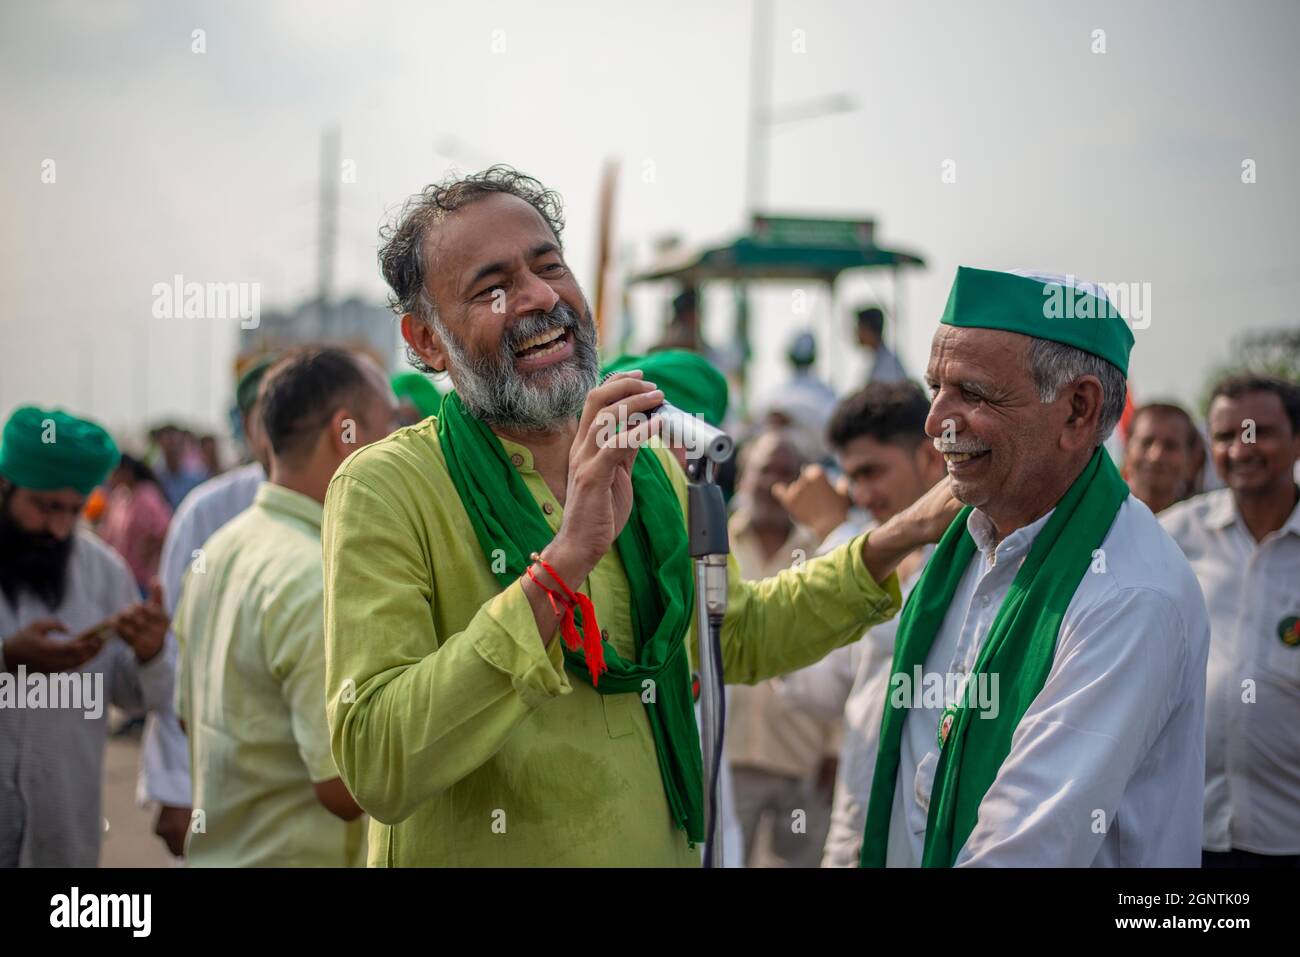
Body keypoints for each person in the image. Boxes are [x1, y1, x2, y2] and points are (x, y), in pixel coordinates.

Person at [322, 166, 956, 867]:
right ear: (426, 341)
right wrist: (565, 562)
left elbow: (732, 633)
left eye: (549, 266)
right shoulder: (386, 487)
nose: (540, 298)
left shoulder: (647, 466)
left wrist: (900, 535)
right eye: (492, 287)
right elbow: (378, 760)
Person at [860, 266, 1210, 868]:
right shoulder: (967, 540)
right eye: (935, 388)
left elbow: (1024, 848)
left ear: (1077, 411)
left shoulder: (1127, 593)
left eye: (972, 393)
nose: (935, 421)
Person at [174, 348, 397, 866]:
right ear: (345, 432)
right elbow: (344, 789)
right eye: (389, 428)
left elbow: (188, 718)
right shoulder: (318, 577)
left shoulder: (222, 547)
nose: (398, 447)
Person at [774, 381, 945, 867]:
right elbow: (819, 691)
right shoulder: (864, 542)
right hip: (856, 829)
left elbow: (911, 625)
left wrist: (836, 536)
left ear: (930, 458)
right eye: (852, 477)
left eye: (873, 472)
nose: (862, 494)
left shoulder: (971, 551)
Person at [0, 407, 171, 866]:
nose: (59, 528)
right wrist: (6, 659)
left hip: (63, 838)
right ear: (4, 486)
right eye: (46, 507)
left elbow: (133, 696)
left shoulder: (105, 574)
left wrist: (151, 653)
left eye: (74, 511)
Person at [1160, 374, 1300, 868]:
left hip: (1289, 834)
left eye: (1261, 432)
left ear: (1297, 440)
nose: (1242, 449)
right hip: (1188, 832)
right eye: (1225, 436)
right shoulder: (1174, 535)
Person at [139, 355, 275, 856]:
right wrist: (177, 788)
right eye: (273, 414)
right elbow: (176, 651)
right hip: (216, 775)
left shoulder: (352, 498)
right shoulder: (209, 510)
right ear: (249, 426)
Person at [723, 428, 837, 867]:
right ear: (742, 479)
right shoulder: (713, 543)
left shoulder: (822, 551)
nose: (773, 483)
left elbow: (844, 647)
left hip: (803, 758)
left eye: (786, 473)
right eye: (764, 470)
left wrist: (835, 746)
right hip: (728, 755)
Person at [99, 453, 172, 595]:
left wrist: (147, 551)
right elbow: (109, 534)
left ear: (126, 472)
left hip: (142, 578)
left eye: (115, 472)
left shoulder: (147, 495)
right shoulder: (119, 496)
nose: (110, 477)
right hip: (120, 574)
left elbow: (165, 530)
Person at [1122, 401, 1199, 514]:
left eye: (1170, 446)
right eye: (1147, 442)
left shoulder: (1202, 520)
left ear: (1189, 458)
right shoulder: (1100, 513)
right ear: (1127, 449)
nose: (1156, 456)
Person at [150, 424, 208, 510]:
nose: (171, 445)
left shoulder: (197, 474)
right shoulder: (155, 478)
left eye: (174, 442)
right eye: (168, 442)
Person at [857, 306, 908, 384]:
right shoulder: (881, 359)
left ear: (869, 331)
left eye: (860, 328)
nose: (857, 333)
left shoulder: (888, 365)